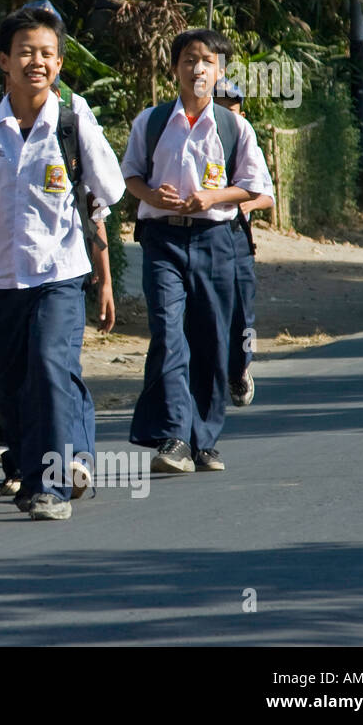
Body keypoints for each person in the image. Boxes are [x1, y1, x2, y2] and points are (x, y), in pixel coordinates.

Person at [0, 6, 124, 521]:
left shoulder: (73, 119)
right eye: (25, 53)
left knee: (50, 370)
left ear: (58, 64)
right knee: (11, 383)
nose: (36, 61)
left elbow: (109, 190)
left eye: (46, 54)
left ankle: (50, 486)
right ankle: (38, 469)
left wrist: (86, 128)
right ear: (4, 61)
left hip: (59, 273)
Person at [119, 30, 274, 474]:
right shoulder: (150, 122)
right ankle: (173, 438)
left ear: (220, 71)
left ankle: (203, 439)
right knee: (169, 333)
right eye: (189, 60)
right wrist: (152, 194)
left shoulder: (233, 126)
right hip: (161, 240)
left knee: (210, 337)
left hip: (214, 240)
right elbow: (129, 176)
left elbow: (253, 186)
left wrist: (212, 198)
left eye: (207, 61)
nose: (198, 69)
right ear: (175, 68)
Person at [213, 79, 275, 407]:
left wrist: (247, 204)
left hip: (236, 237)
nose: (226, 114)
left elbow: (267, 195)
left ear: (242, 112)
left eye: (232, 109)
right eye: (219, 107)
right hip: (200, 238)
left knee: (239, 311)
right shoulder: (195, 138)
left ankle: (239, 369)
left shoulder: (245, 140)